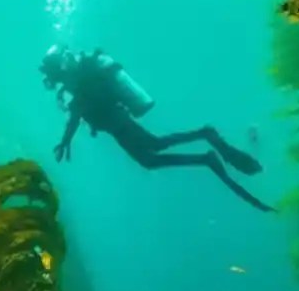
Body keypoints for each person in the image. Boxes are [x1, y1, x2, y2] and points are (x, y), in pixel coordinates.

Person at [40, 45, 273, 212]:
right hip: (117, 123)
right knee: (154, 149)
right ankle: (205, 146)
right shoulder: (78, 80)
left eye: (53, 74)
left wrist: (66, 140)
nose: (54, 80)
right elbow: (77, 113)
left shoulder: (80, 82)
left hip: (118, 123)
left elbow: (76, 115)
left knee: (151, 156)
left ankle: (206, 148)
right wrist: (67, 139)